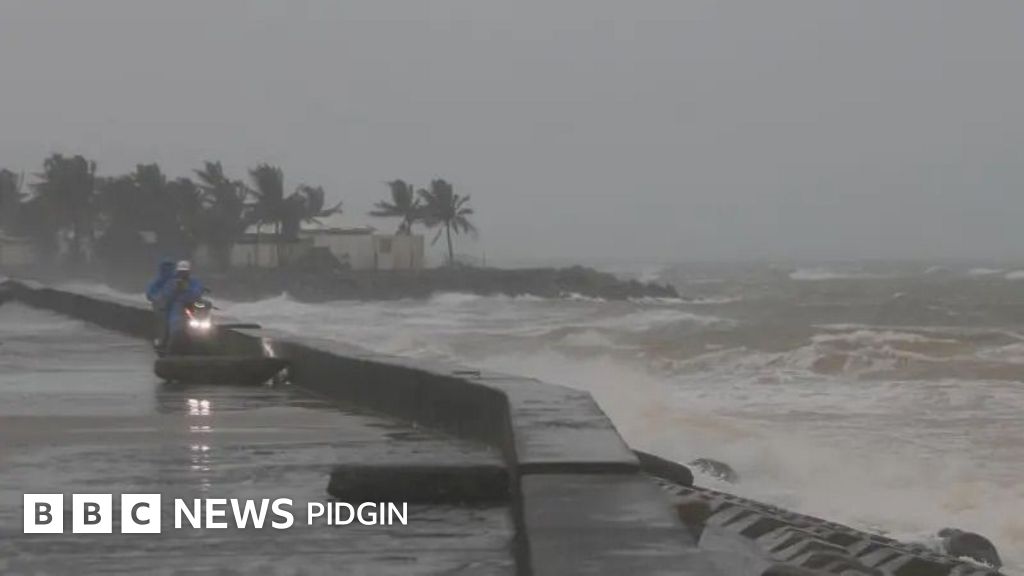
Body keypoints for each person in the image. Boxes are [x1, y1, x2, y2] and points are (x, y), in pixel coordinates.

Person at [160, 260, 206, 354]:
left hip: (192, 308)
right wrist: (175, 290)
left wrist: (186, 289)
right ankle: (167, 346)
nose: (183, 274)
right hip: (176, 309)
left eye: (185, 272)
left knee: (202, 327)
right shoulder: (171, 282)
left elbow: (197, 293)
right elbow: (166, 295)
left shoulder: (194, 282)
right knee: (174, 329)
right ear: (177, 271)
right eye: (181, 272)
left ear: (189, 272)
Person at [145, 259, 175, 349]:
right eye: (166, 269)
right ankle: (161, 342)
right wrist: (157, 299)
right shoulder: (157, 282)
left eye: (169, 269)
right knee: (162, 326)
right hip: (162, 309)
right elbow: (150, 295)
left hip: (175, 309)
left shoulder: (176, 282)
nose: (168, 271)